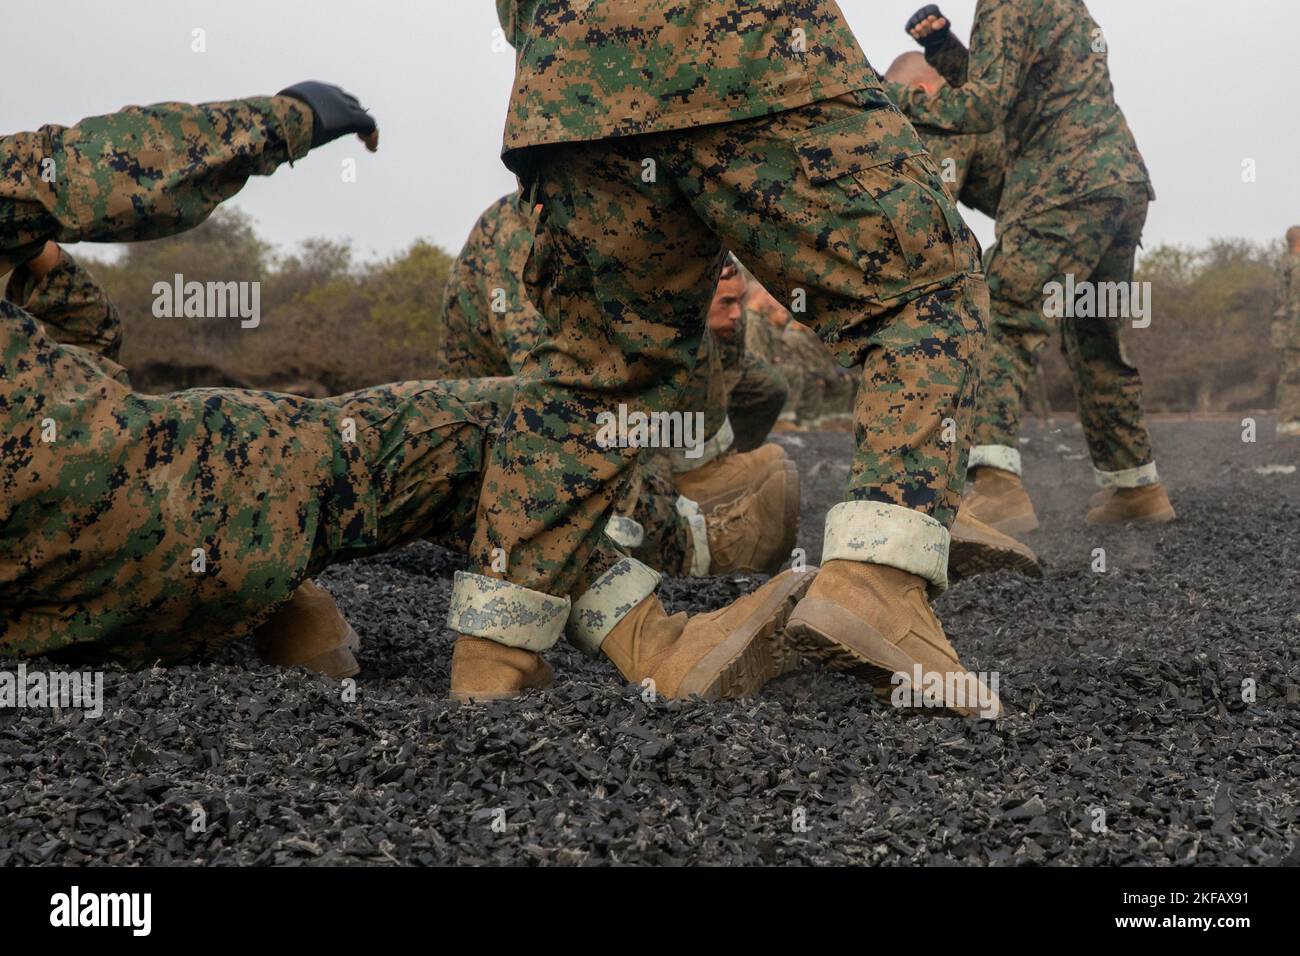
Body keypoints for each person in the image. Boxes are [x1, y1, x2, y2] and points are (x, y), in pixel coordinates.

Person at [455, 0, 1005, 718]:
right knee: (929, 285)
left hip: (571, 86)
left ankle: (494, 653)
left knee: (594, 370)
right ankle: (879, 577)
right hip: (749, 53)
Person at [894, 1, 1175, 531]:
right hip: (1118, 182)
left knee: (1002, 315)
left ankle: (995, 485)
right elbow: (1015, 84)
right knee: (1095, 339)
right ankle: (1135, 486)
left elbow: (982, 109)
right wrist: (943, 50)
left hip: (1061, 184)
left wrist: (892, 98)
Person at [1274, 226, 1300, 437]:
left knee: (1288, 373)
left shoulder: (1283, 264)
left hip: (1285, 327)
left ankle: (1289, 420)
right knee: (1292, 375)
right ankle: (1288, 422)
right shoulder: (1297, 266)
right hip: (1294, 329)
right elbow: (1296, 302)